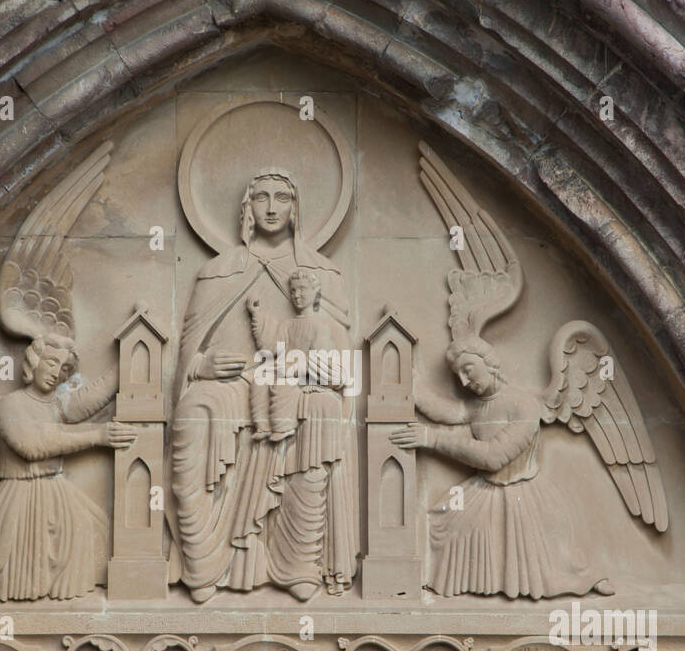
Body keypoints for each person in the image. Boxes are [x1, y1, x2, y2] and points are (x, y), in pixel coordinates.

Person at [171, 170, 358, 602]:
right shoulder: (218, 271)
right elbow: (188, 351)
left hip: (296, 383)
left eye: (281, 198)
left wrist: (301, 371)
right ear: (246, 209)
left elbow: (343, 361)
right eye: (260, 198)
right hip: (229, 386)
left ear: (296, 209)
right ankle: (203, 563)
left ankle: (297, 562)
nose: (271, 207)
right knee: (194, 414)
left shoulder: (323, 274)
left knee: (316, 414)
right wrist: (202, 365)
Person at [0, 333, 135, 602]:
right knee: (2, 563)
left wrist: (131, 359)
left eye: (64, 368)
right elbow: (32, 445)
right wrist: (96, 436)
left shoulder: (56, 405)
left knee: (95, 529)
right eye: (51, 362)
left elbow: (89, 398)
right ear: (34, 361)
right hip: (21, 497)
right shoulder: (11, 405)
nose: (57, 373)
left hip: (56, 492)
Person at [390, 337, 612, 599]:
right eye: (458, 374)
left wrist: (432, 438)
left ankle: (590, 579)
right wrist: (411, 382)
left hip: (523, 496)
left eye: (468, 370)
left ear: (489, 363)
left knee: (551, 565)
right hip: (485, 490)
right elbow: (447, 412)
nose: (463, 381)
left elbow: (494, 457)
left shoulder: (525, 406)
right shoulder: (478, 406)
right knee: (438, 524)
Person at [247, 269, 349, 442]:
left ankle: (283, 427)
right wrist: (256, 315)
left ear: (315, 291)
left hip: (306, 372)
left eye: (302, 289)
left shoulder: (319, 325)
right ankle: (263, 425)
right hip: (286, 367)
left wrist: (295, 367)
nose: (297, 295)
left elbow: (320, 359)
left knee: (283, 382)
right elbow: (271, 349)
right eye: (293, 290)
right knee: (260, 377)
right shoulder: (287, 324)